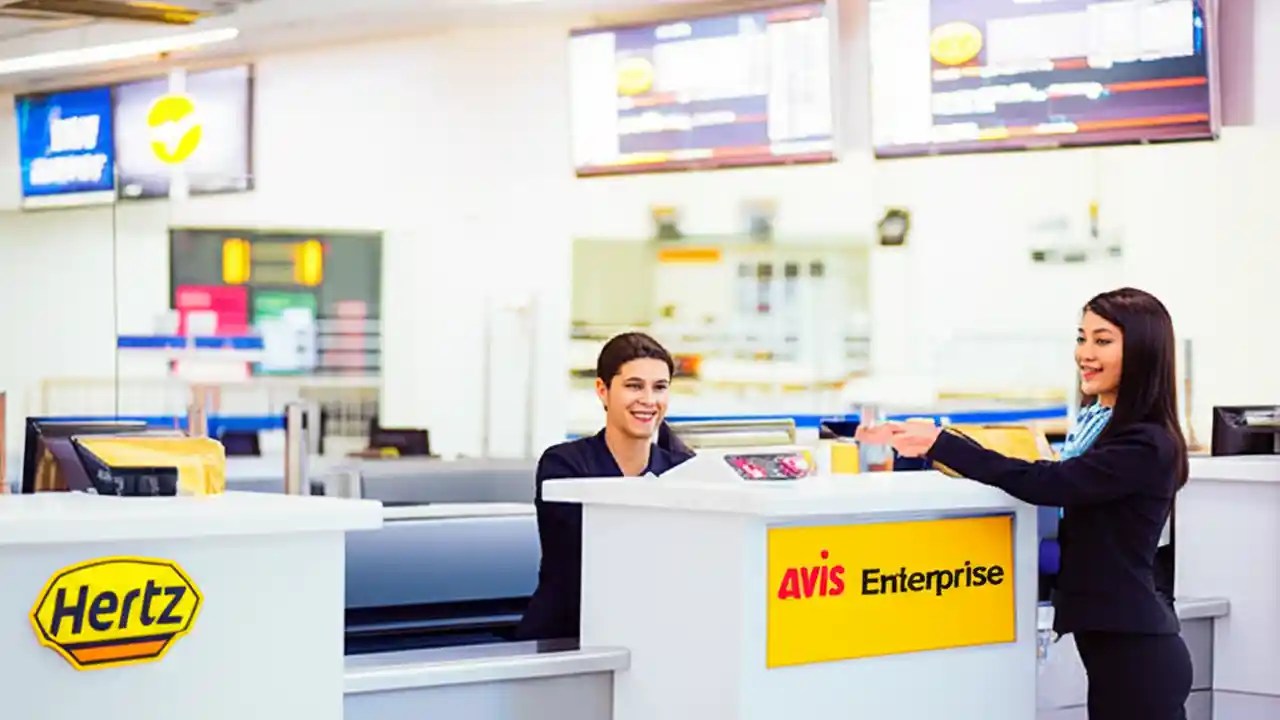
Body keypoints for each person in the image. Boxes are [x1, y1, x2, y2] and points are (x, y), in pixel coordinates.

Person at [859, 287, 1191, 720]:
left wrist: (945, 444)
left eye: (1102, 340)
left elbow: (1050, 482)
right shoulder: (1098, 428)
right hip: (1116, 644)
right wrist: (937, 450)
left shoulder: (1145, 443)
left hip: (1137, 651)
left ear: (1144, 349)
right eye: (1081, 337)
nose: (1085, 353)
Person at [514, 332, 693, 641]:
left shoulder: (681, 469)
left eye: (660, 387)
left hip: (649, 635)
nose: (649, 400)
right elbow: (604, 553)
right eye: (634, 386)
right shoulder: (564, 465)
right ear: (602, 390)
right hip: (566, 639)